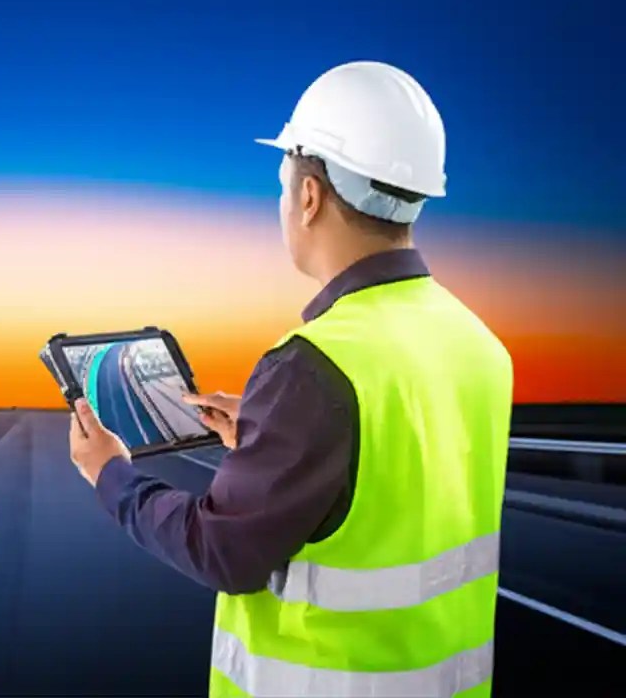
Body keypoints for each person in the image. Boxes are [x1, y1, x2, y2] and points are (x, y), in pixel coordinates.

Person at [68, 61, 513, 697]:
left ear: (309, 197)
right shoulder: (478, 343)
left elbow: (220, 551)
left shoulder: (315, 366)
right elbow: (396, 477)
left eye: (283, 185)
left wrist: (110, 473)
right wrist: (271, 431)